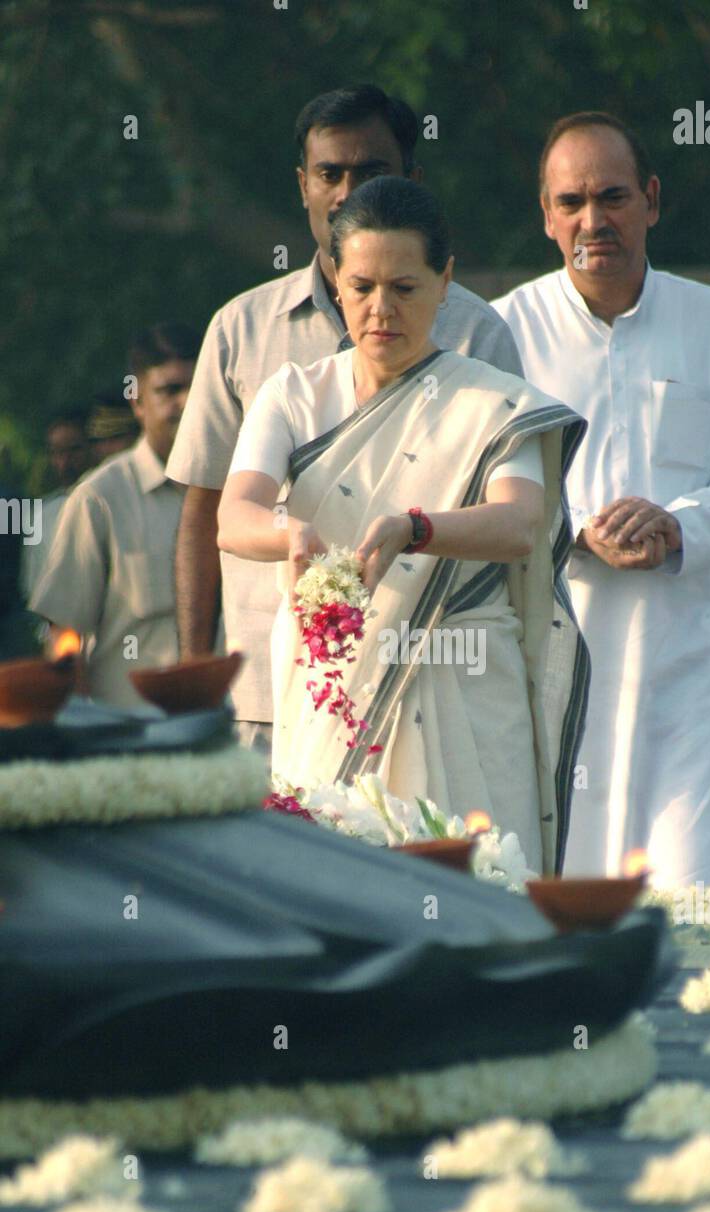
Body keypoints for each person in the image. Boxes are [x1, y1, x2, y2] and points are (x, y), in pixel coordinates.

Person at [218, 178, 588, 875]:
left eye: (405, 288)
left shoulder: (492, 401)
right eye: (359, 287)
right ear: (332, 277)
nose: (379, 310)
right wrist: (288, 538)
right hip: (333, 673)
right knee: (333, 888)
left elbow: (519, 524)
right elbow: (233, 515)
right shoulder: (294, 396)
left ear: (445, 281)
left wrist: (412, 529)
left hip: (466, 677)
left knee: (482, 893)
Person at [167, 83, 523, 757]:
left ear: (412, 182)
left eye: (370, 173)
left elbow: (513, 522)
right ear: (302, 184)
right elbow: (207, 509)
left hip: (429, 692)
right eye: (329, 173)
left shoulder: (477, 335)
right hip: (267, 698)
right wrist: (195, 672)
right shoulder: (244, 331)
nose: (346, 191)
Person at [493, 112, 710, 889]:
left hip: (691, 661)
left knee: (706, 895)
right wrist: (577, 530)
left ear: (651, 200)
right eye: (570, 202)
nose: (592, 219)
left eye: (613, 196)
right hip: (562, 660)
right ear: (546, 217)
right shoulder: (504, 334)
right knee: (570, 893)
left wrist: (677, 522)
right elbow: (474, 486)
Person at [30, 323, 200, 709]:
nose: (186, 403)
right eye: (169, 390)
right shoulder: (100, 499)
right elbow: (63, 636)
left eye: (195, 387)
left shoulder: (235, 488)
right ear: (137, 402)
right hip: (134, 741)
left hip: (227, 734)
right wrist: (84, 737)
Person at [20, 405, 94, 599]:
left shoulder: (114, 504)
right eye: (57, 453)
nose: (64, 463)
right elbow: (33, 584)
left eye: (73, 450)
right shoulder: (41, 515)